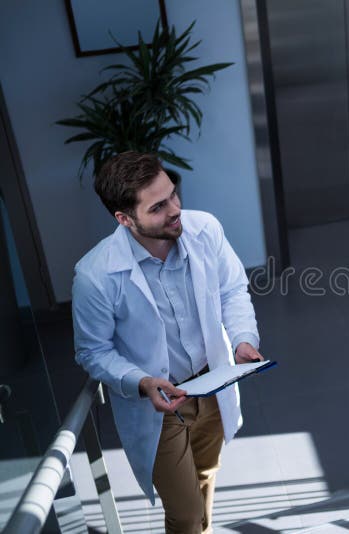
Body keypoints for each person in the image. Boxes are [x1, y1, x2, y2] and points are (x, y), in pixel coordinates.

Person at [72, 152, 263, 533]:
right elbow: (92, 351)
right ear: (124, 219)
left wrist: (242, 338)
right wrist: (142, 382)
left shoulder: (204, 229)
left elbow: (232, 290)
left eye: (173, 195)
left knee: (206, 472)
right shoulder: (95, 276)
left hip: (211, 382)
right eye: (158, 207)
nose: (175, 210)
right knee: (186, 513)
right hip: (159, 403)